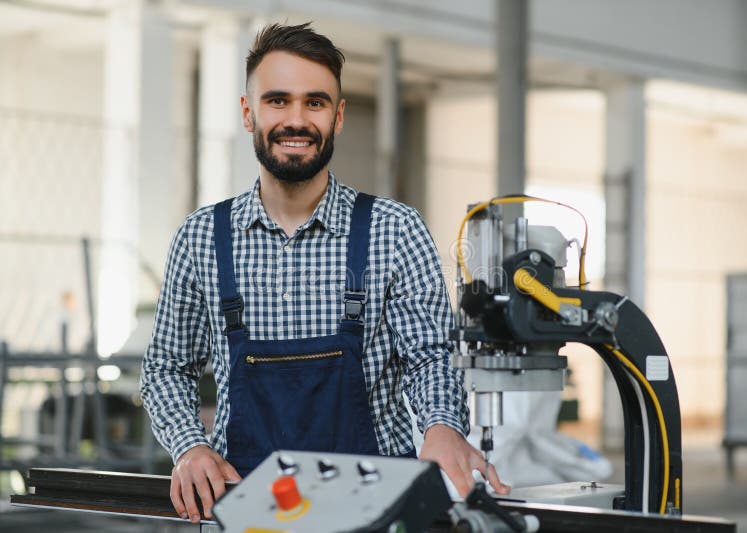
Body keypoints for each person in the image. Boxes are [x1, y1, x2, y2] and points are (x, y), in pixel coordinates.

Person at [140, 22, 508, 524]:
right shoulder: (202, 236)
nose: (296, 119)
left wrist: (441, 426)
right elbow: (166, 367)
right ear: (249, 113)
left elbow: (428, 357)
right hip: (247, 508)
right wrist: (189, 448)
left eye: (314, 103)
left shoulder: (394, 229)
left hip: (378, 511)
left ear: (338, 117)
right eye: (277, 101)